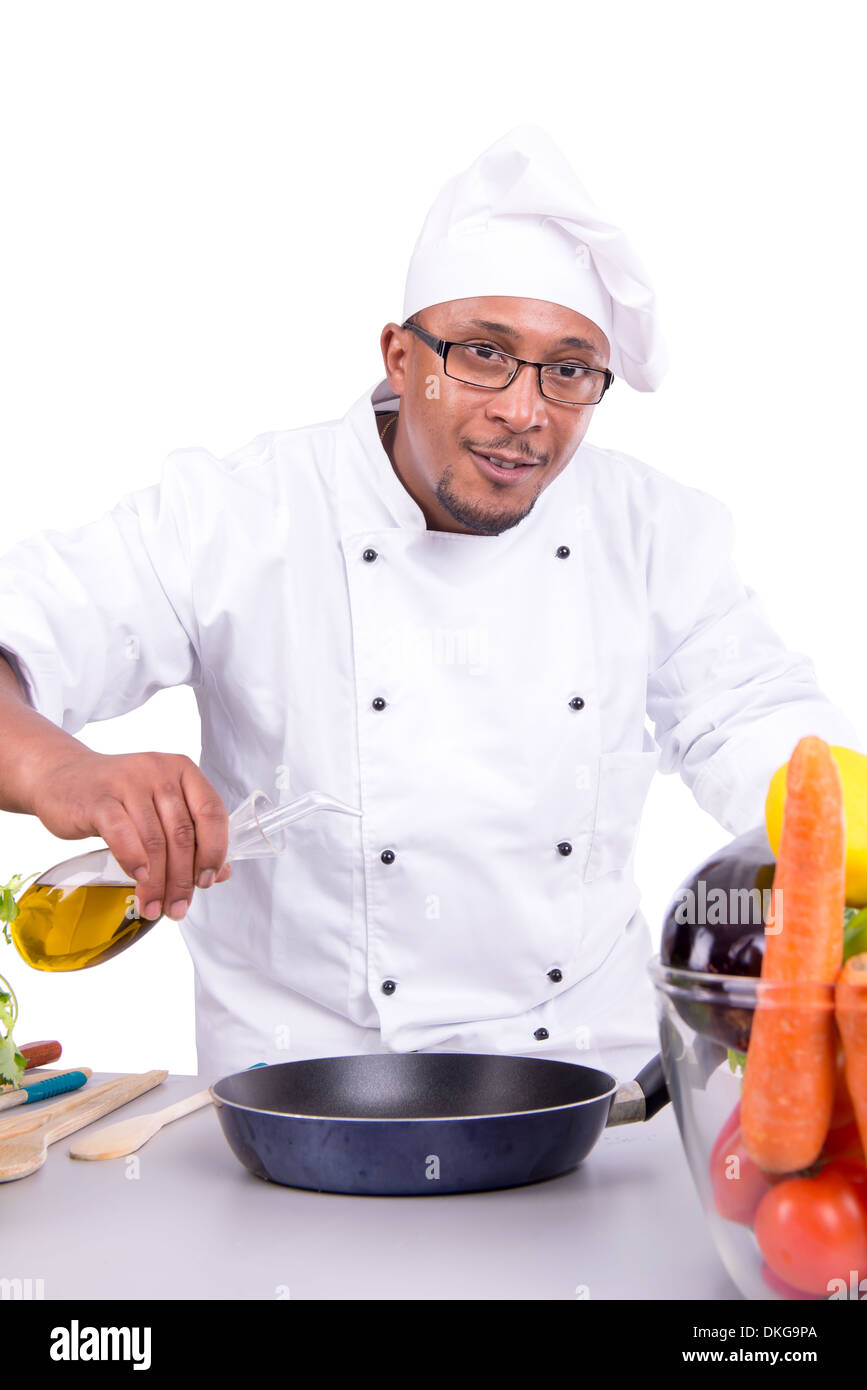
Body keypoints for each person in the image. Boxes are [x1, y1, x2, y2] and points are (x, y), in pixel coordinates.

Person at [0, 125, 861, 1080]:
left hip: (590, 1087)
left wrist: (842, 839)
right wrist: (60, 773)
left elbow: (758, 721)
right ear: (400, 358)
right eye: (482, 354)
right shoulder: (236, 515)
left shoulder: (652, 529)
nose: (524, 410)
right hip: (302, 1092)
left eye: (568, 370)